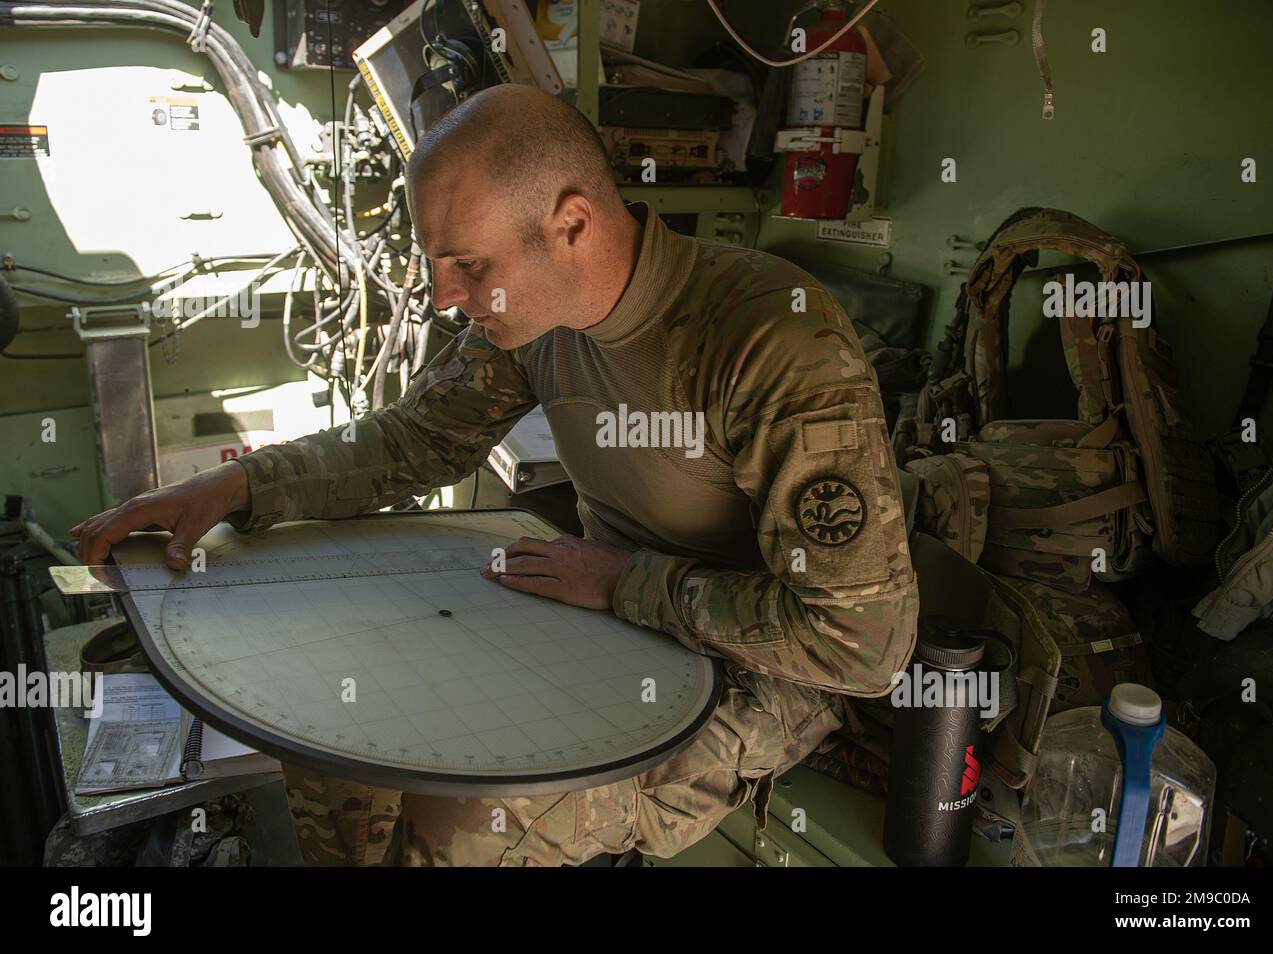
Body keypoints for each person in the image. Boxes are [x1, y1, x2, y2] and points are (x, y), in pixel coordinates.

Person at [71, 84, 917, 866]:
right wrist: (232, 488)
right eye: (438, 262)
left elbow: (861, 644)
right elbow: (416, 441)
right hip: (608, 604)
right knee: (334, 739)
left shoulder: (771, 343)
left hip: (763, 670)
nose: (444, 296)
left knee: (468, 821)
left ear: (572, 225)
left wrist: (627, 582)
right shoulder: (535, 314)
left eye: (469, 267)